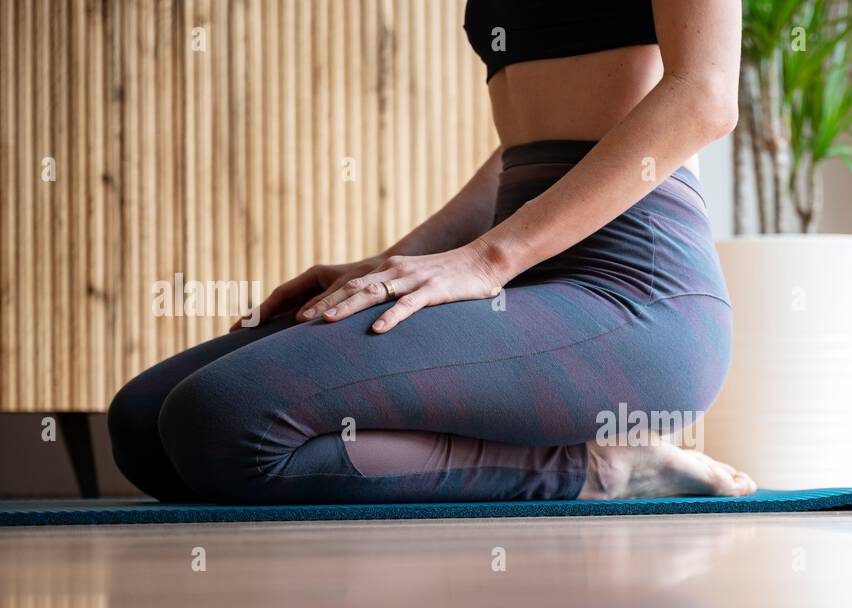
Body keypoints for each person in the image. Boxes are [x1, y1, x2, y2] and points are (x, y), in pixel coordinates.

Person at [108, 0, 755, 504]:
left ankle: (603, 467)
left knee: (222, 423)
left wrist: (490, 258)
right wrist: (393, 262)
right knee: (143, 427)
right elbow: (527, 146)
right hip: (526, 280)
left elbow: (704, 95)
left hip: (637, 297)